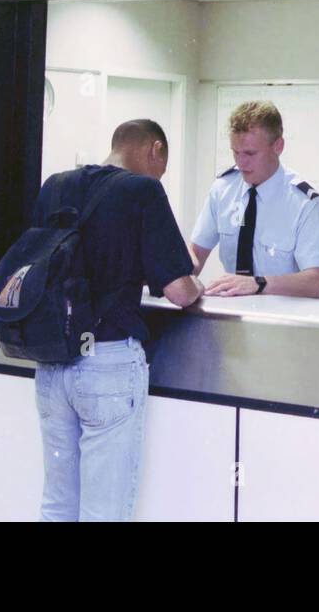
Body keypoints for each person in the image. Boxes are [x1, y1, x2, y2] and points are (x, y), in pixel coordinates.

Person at [31, 119, 203, 522]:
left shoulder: (55, 185)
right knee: (103, 514)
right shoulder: (143, 190)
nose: (162, 173)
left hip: (53, 364)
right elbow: (179, 291)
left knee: (57, 505)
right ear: (154, 150)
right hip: (107, 364)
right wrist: (198, 285)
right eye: (163, 164)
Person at [190, 100, 319, 297]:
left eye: (250, 153)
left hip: (284, 319)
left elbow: (315, 282)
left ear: (278, 146)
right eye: (235, 152)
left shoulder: (304, 203)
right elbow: (196, 255)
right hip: (232, 313)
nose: (241, 162)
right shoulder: (222, 190)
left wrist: (258, 284)